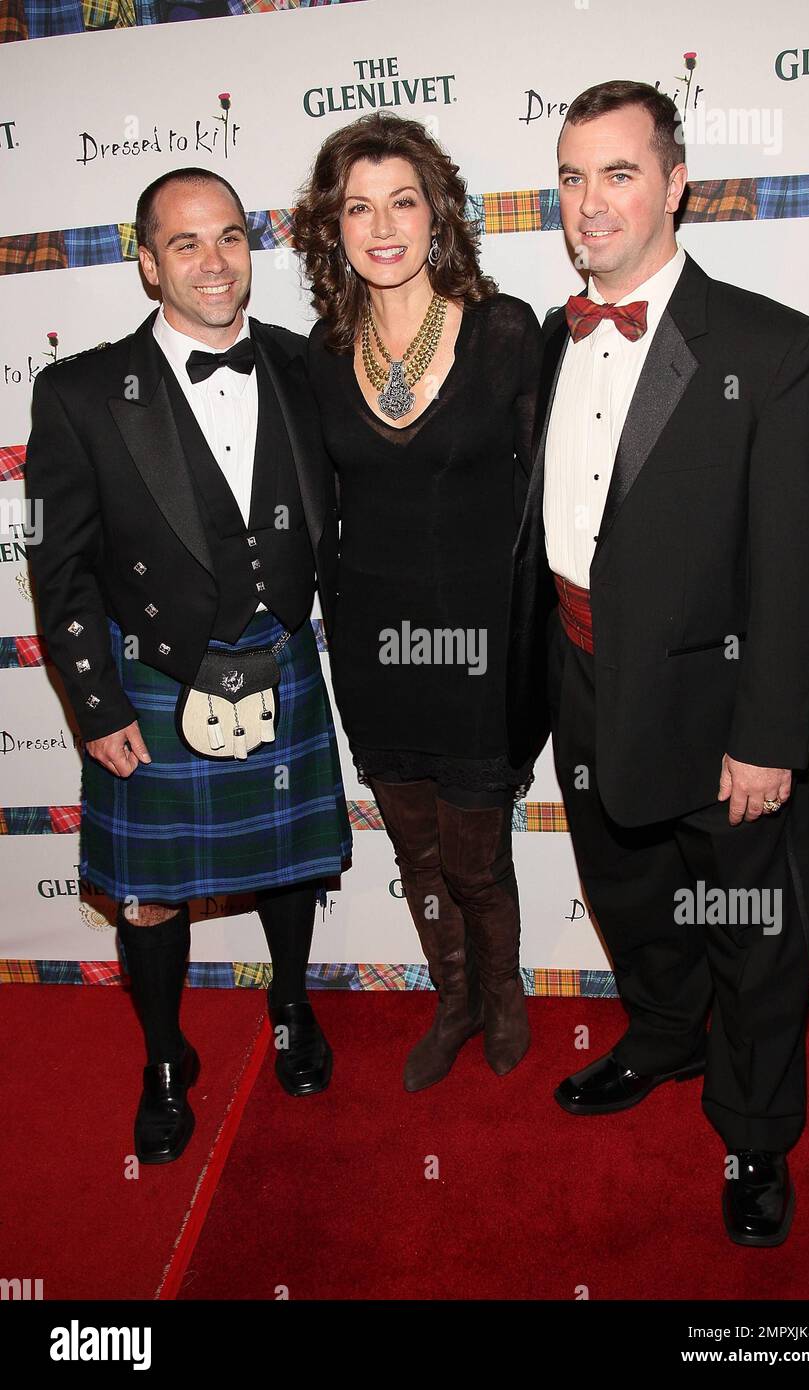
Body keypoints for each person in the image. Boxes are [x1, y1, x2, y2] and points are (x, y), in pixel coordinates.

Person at [506, 81, 809, 1244]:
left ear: (675, 182)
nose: (588, 203)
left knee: (751, 930)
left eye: (617, 173)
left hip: (715, 708)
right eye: (569, 176)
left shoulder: (774, 347)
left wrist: (765, 739)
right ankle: (657, 1040)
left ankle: (752, 1131)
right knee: (630, 895)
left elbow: (797, 570)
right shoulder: (546, 338)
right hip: (581, 684)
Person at [25, 168, 352, 1164]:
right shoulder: (81, 391)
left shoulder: (303, 365)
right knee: (151, 893)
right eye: (184, 243)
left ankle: (289, 1003)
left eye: (228, 238)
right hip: (159, 679)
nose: (212, 262)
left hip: (282, 660)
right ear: (146, 261)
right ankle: (165, 1057)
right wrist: (95, 702)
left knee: (294, 860)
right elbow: (60, 560)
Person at [292, 113, 543, 1090]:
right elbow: (314, 512)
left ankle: (505, 998)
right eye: (359, 206)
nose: (381, 225)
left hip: (481, 656)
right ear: (334, 228)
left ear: (435, 215)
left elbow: (545, 506)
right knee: (418, 857)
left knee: (475, 859)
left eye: (401, 201)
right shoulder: (321, 355)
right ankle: (453, 1000)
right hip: (373, 653)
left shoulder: (503, 333)